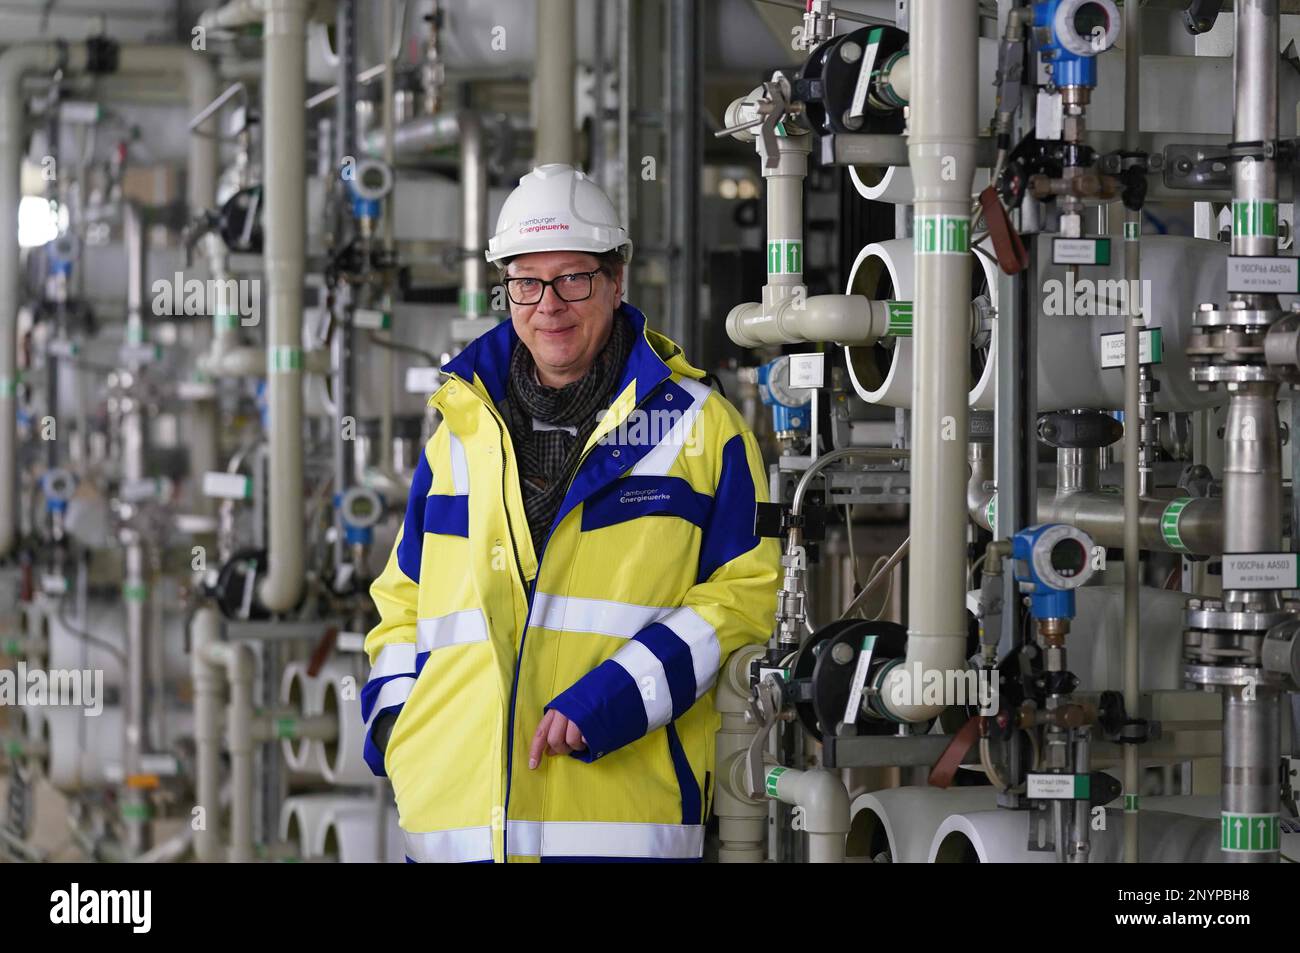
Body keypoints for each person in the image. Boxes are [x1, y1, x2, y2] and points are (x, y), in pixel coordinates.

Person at [362, 163, 780, 862]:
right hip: (453, 832)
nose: (548, 304)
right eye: (526, 281)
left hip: (616, 821)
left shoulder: (700, 429)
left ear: (616, 282)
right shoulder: (459, 429)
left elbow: (750, 595)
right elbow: (403, 599)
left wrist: (625, 691)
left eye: (573, 279)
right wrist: (397, 722)